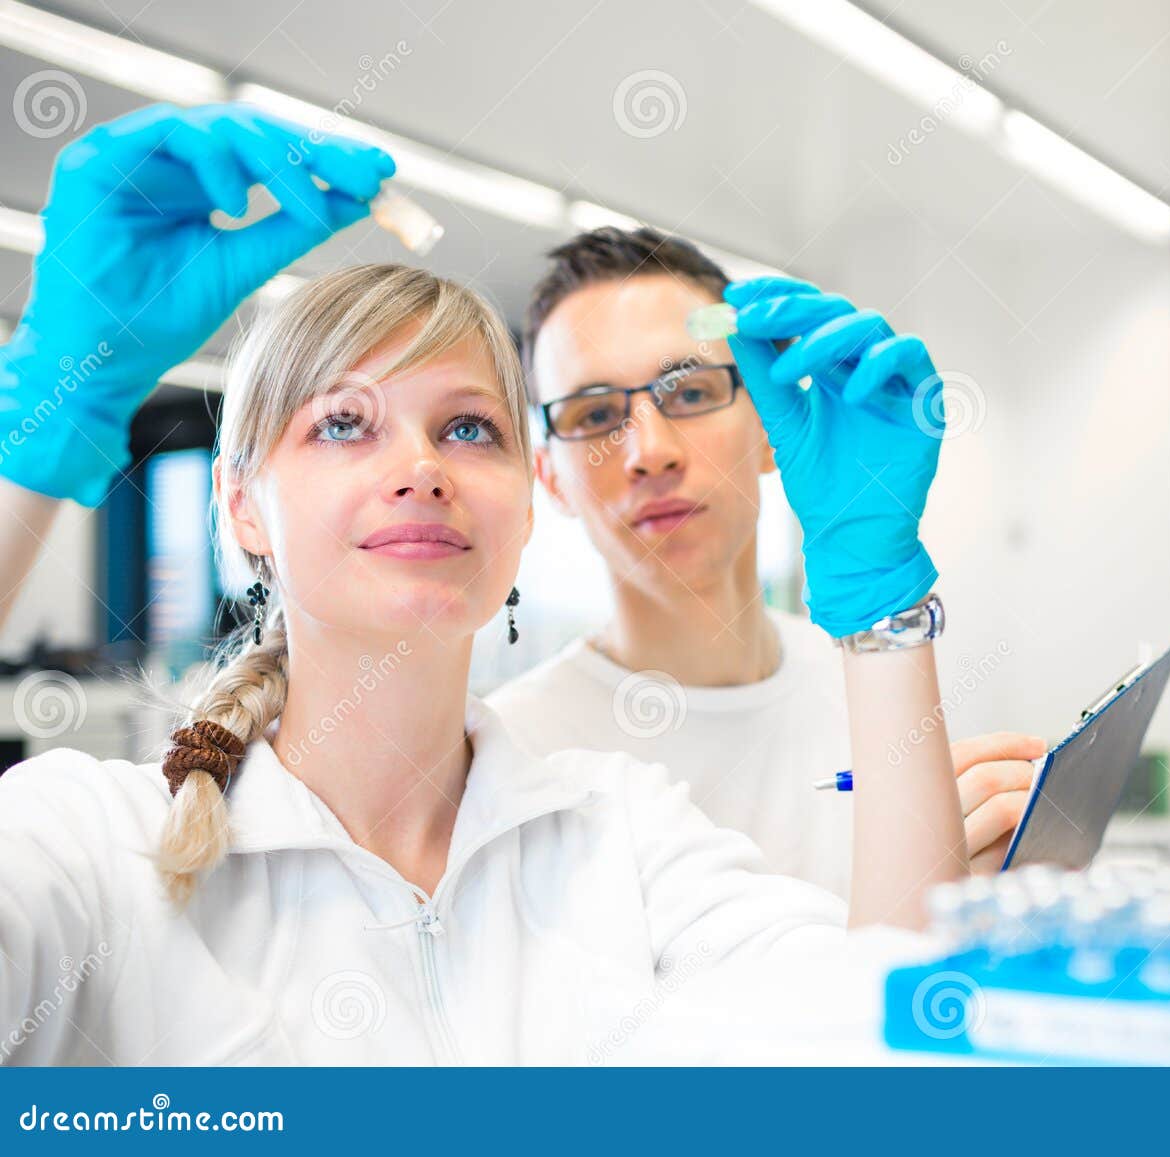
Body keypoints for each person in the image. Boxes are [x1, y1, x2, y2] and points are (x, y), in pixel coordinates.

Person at [0, 104, 966, 1065]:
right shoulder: (92, 851)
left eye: (469, 429)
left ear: (525, 509)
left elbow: (893, 1050)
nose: (421, 468)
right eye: (344, 423)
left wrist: (880, 607)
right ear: (242, 504)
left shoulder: (621, 838)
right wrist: (41, 427)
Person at [488, 228, 1043, 891]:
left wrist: (990, 897)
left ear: (769, 428)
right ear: (551, 479)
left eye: (690, 392)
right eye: (596, 412)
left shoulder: (877, 676)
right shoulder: (509, 752)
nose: (649, 451)